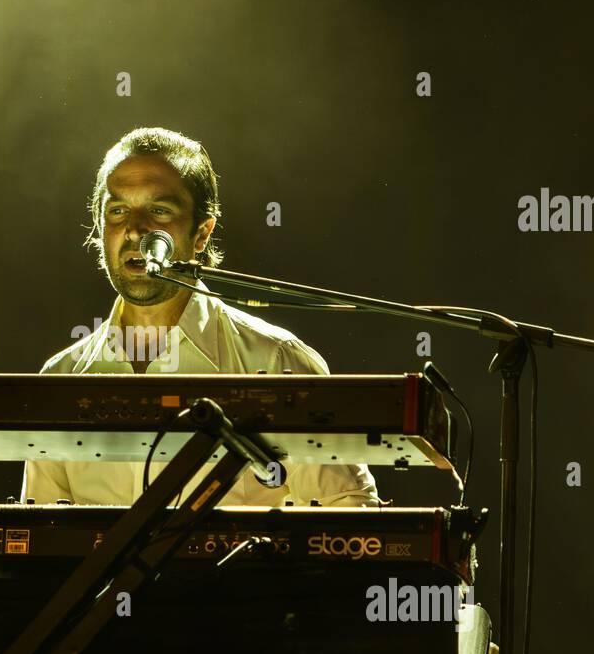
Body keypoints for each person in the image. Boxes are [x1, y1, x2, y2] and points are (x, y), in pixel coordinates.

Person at [21, 126, 380, 508]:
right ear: (100, 227)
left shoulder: (277, 362)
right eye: (118, 210)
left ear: (202, 234)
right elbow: (38, 538)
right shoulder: (61, 379)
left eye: (159, 210)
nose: (135, 228)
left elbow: (349, 516)